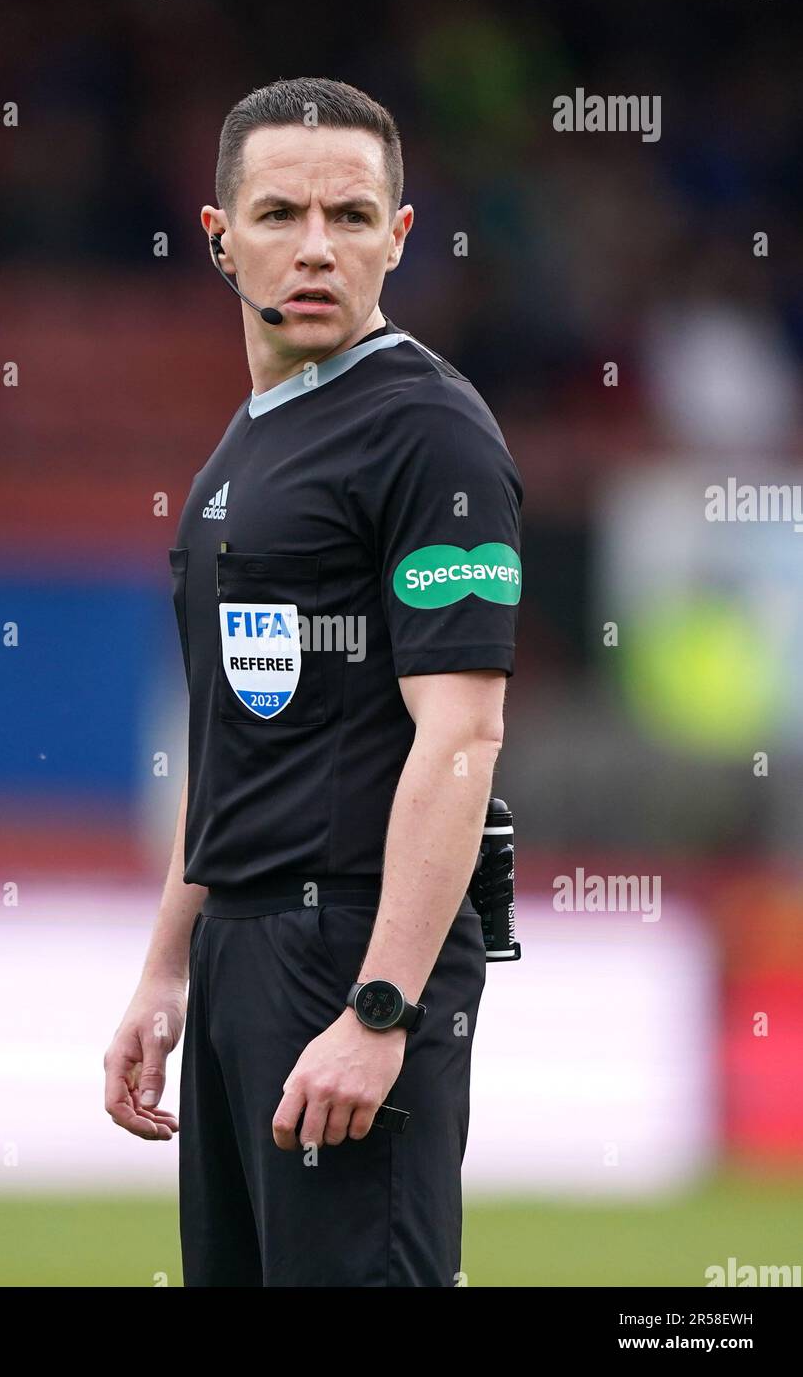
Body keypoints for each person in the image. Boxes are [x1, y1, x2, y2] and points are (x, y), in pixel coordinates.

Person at [105, 76, 523, 1287]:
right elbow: (235, 736)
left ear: (399, 236)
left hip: (349, 947)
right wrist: (170, 964)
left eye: (351, 217)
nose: (316, 247)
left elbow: (462, 736)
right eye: (281, 212)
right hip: (244, 949)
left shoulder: (428, 431)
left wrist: (382, 1005)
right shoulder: (252, 435)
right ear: (219, 235)